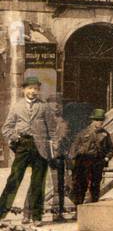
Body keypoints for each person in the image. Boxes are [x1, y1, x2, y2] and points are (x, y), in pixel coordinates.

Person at [0, 73, 57, 224]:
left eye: (36, 89)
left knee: (38, 183)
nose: (33, 91)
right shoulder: (17, 107)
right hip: (23, 146)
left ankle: (36, 217)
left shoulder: (44, 107)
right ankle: (1, 214)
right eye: (30, 88)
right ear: (24, 90)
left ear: (39, 91)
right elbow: (6, 128)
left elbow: (52, 130)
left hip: (41, 148)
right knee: (14, 180)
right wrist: (15, 138)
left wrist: (52, 147)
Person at [69, 109, 113, 206]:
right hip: (83, 162)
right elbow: (74, 148)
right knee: (81, 184)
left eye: (101, 120)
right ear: (92, 120)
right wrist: (73, 163)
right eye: (97, 120)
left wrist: (106, 158)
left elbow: (111, 149)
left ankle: (94, 207)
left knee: (95, 185)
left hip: (97, 162)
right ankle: (79, 208)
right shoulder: (83, 132)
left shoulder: (105, 134)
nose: (99, 122)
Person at [46, 93, 70, 221]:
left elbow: (66, 138)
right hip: (44, 157)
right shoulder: (43, 120)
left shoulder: (63, 122)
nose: (56, 106)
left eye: (59, 104)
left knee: (59, 186)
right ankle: (31, 213)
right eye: (53, 104)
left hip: (59, 157)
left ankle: (58, 213)